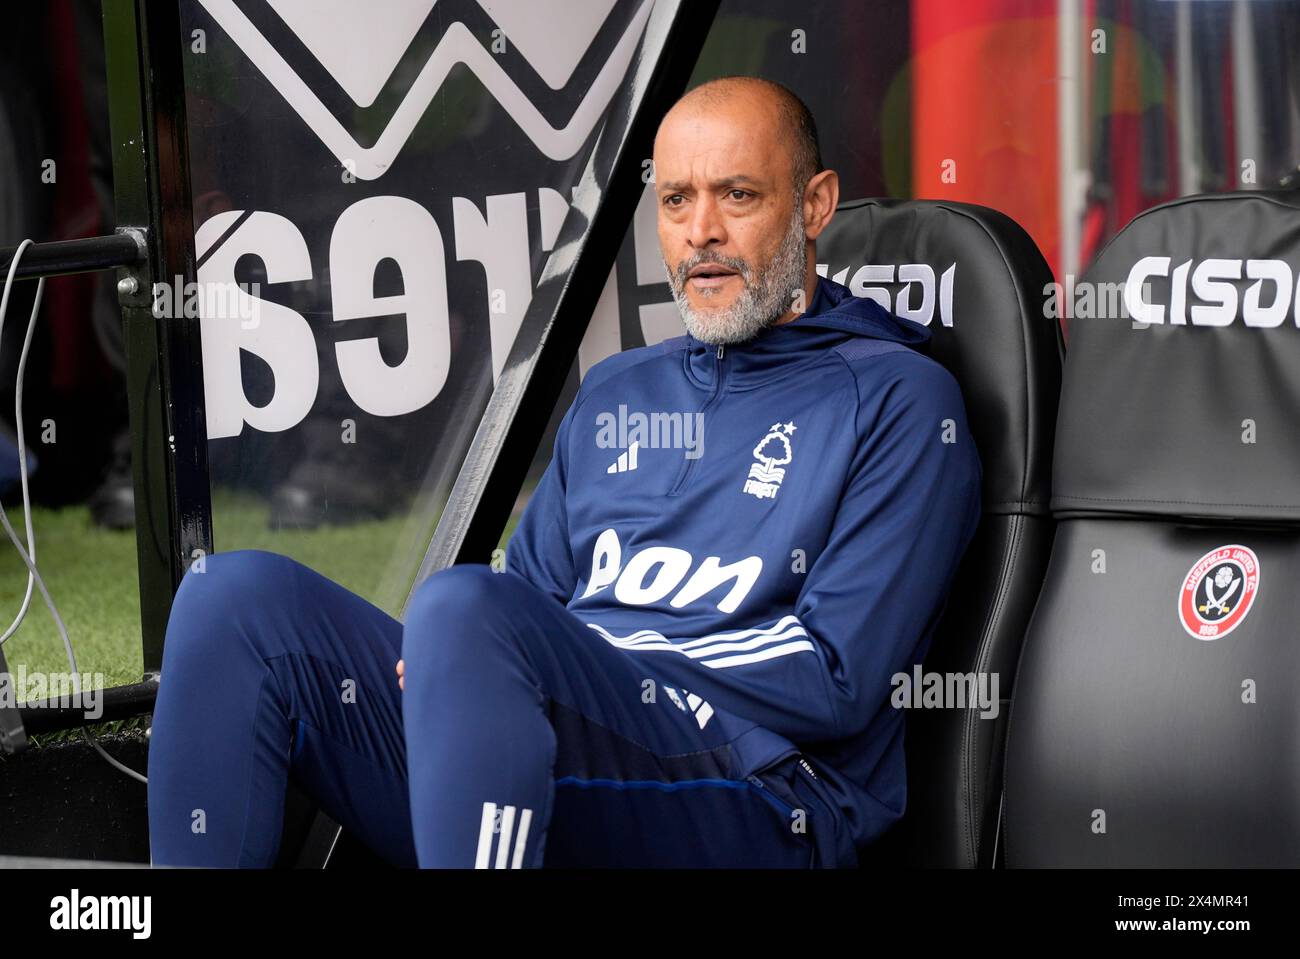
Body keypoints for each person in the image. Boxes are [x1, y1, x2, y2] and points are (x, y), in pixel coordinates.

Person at [147, 76, 983, 868]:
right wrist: (483, 657)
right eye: (675, 201)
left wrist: (569, 654)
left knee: (466, 607)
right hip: (572, 751)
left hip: (761, 795)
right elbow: (528, 606)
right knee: (234, 603)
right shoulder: (622, 389)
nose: (701, 233)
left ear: (815, 204)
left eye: (737, 194)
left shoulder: (900, 399)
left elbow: (835, 673)